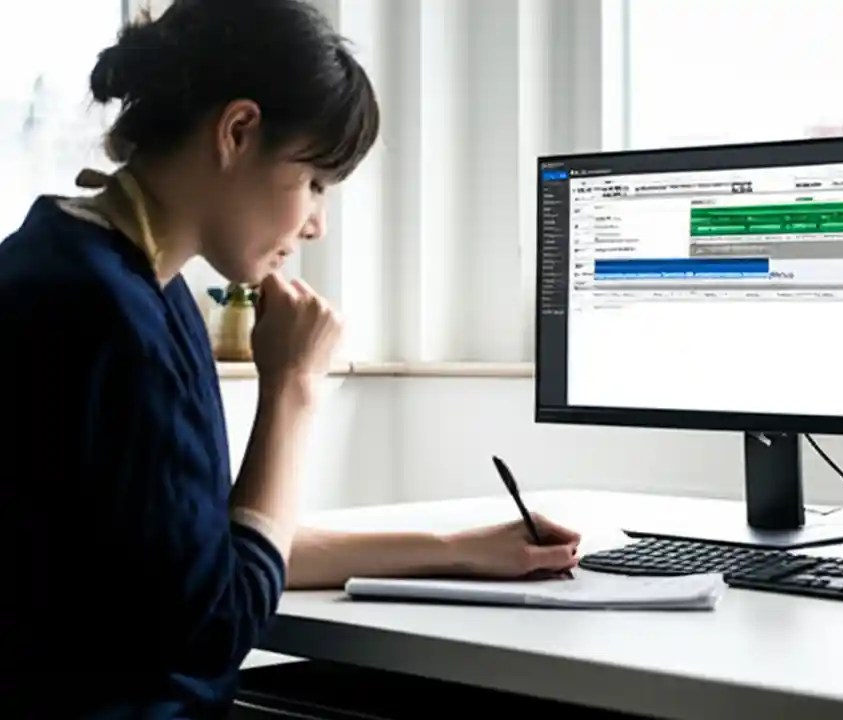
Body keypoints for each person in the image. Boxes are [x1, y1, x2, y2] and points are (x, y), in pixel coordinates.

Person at [0, 1, 580, 717]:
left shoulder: (105, 272)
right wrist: (294, 388)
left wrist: (456, 547)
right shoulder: (105, 313)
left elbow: (208, 549)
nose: (316, 223)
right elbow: (214, 626)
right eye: (313, 182)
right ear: (237, 131)